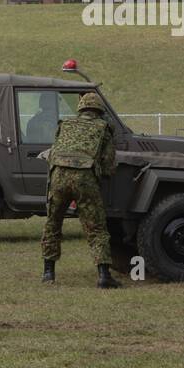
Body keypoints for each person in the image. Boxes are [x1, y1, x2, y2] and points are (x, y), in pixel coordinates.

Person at [41, 92, 119, 288]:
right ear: (99, 110)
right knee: (97, 228)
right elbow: (108, 164)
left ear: (81, 108)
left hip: (58, 176)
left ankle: (48, 272)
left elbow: (54, 151)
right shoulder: (104, 128)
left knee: (53, 223)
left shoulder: (65, 125)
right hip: (85, 179)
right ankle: (103, 276)